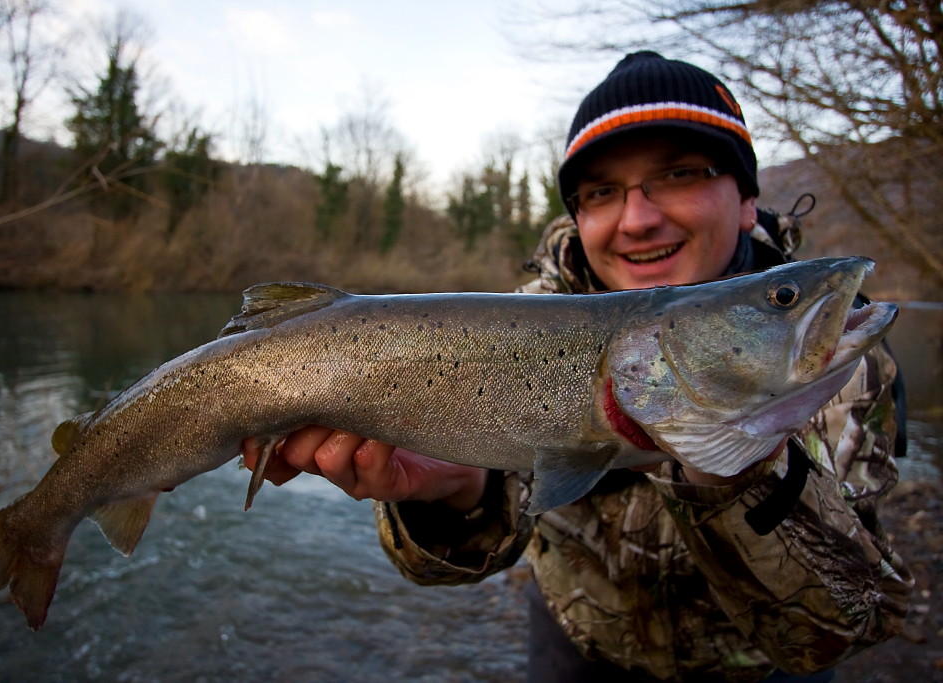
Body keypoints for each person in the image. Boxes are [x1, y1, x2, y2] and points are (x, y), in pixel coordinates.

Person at [243, 52, 912, 682]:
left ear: (744, 198)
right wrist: (459, 494)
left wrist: (734, 460)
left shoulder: (838, 362)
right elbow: (455, 559)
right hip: (576, 651)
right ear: (578, 215)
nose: (637, 218)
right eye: (600, 191)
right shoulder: (506, 329)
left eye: (679, 174)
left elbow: (846, 618)